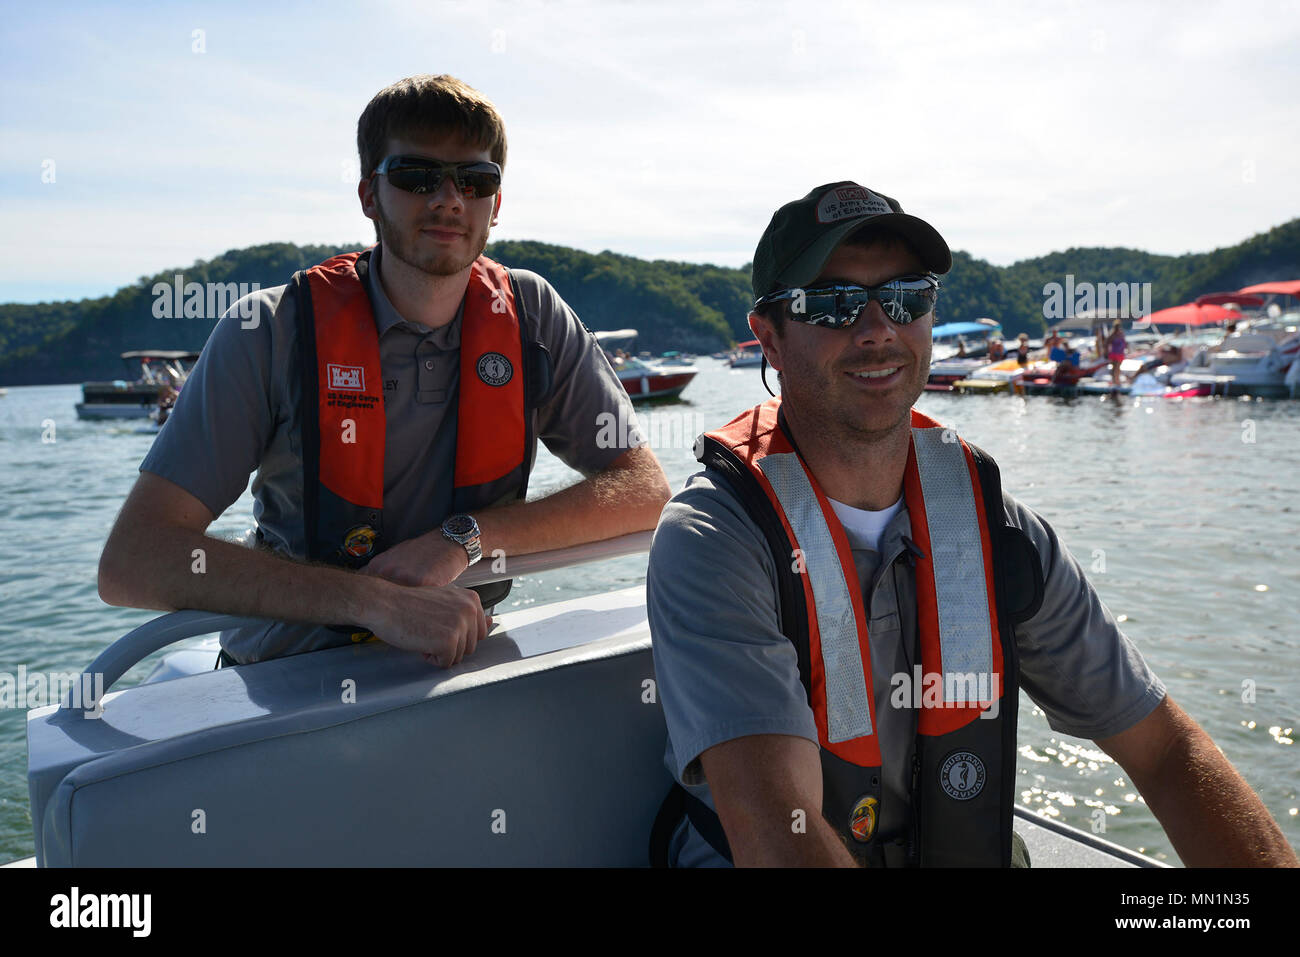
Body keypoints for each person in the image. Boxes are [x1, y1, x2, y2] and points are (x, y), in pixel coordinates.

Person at [646, 181, 1298, 868]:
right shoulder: (715, 541)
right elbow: (782, 840)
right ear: (770, 338)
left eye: (907, 298)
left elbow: (1165, 750)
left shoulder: (997, 531)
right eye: (832, 304)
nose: (878, 329)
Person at [98, 74, 670, 667]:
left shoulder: (532, 317)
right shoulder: (268, 330)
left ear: (496, 205)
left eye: (475, 180)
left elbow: (644, 490)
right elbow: (133, 560)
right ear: (370, 195)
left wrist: (465, 538)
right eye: (417, 176)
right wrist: (371, 602)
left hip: (457, 661)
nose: (449, 199)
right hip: (284, 678)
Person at [1106, 318, 1127, 386]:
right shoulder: (1113, 335)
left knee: (1117, 368)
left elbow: (1125, 343)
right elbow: (1107, 343)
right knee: (1115, 368)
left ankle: (1116, 380)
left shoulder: (1120, 334)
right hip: (1115, 353)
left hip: (1120, 353)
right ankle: (1116, 381)